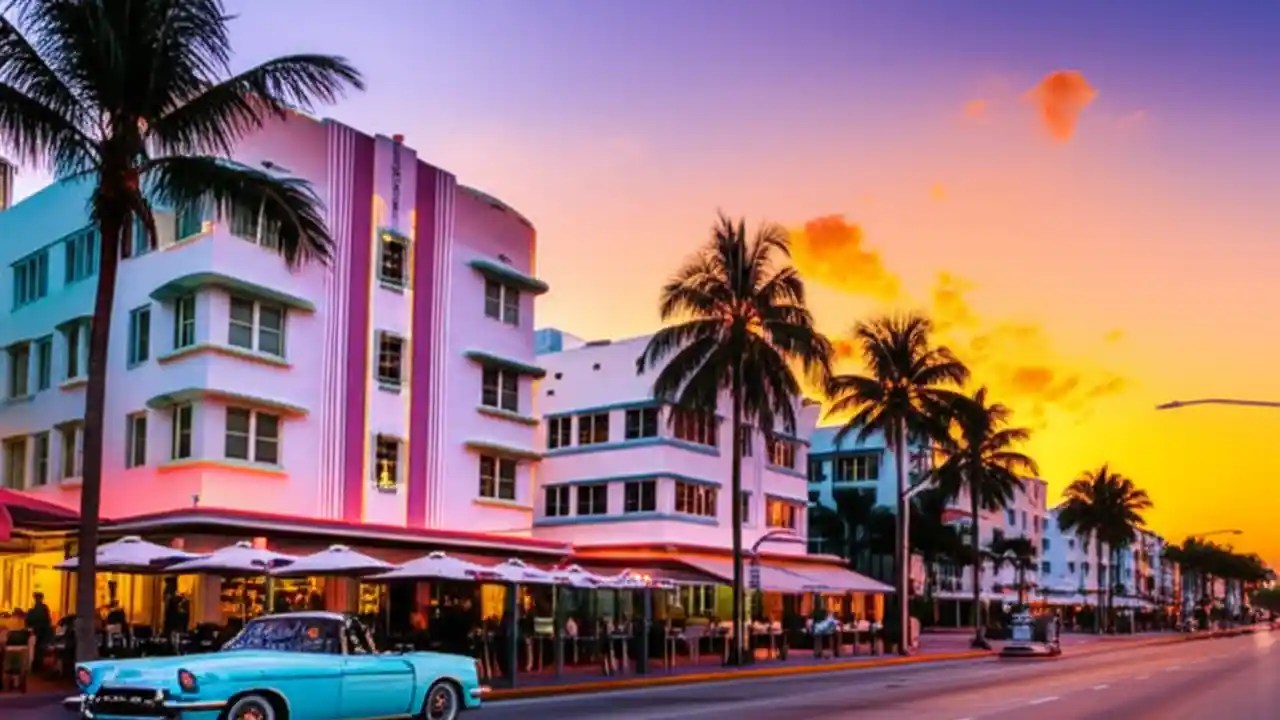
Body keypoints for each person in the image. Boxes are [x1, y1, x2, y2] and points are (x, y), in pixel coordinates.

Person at [25, 593, 51, 674]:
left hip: (36, 632)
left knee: (35, 650)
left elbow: (28, 621)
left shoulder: (34, 609)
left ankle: (35, 665)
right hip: (41, 632)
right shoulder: (43, 609)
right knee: (39, 649)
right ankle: (38, 665)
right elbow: (48, 621)